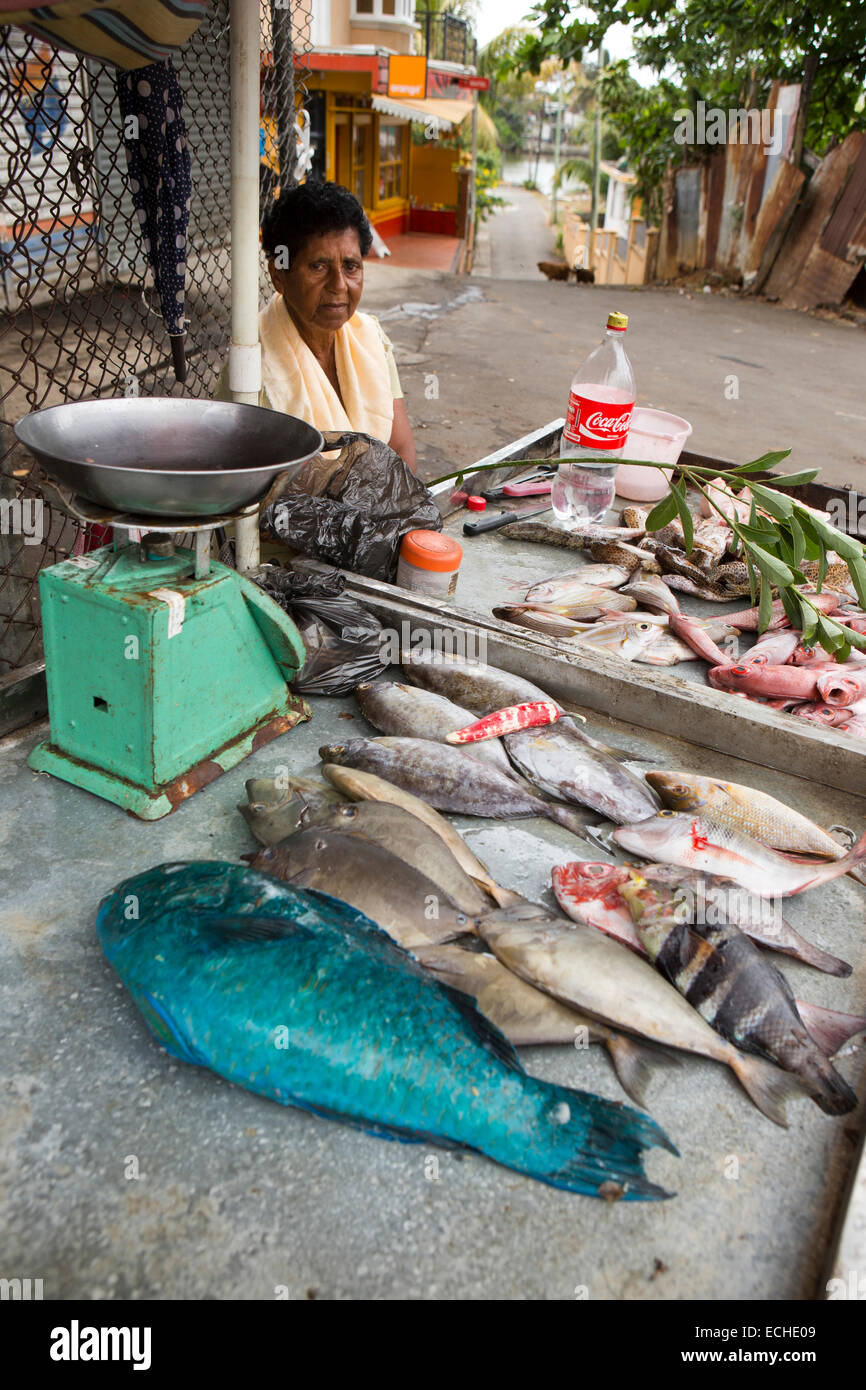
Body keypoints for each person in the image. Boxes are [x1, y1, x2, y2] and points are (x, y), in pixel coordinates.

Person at [218, 180, 417, 472]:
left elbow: (400, 447)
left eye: (351, 266)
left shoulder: (371, 338)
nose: (339, 285)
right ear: (279, 275)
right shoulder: (253, 365)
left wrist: (396, 514)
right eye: (318, 267)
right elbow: (244, 483)